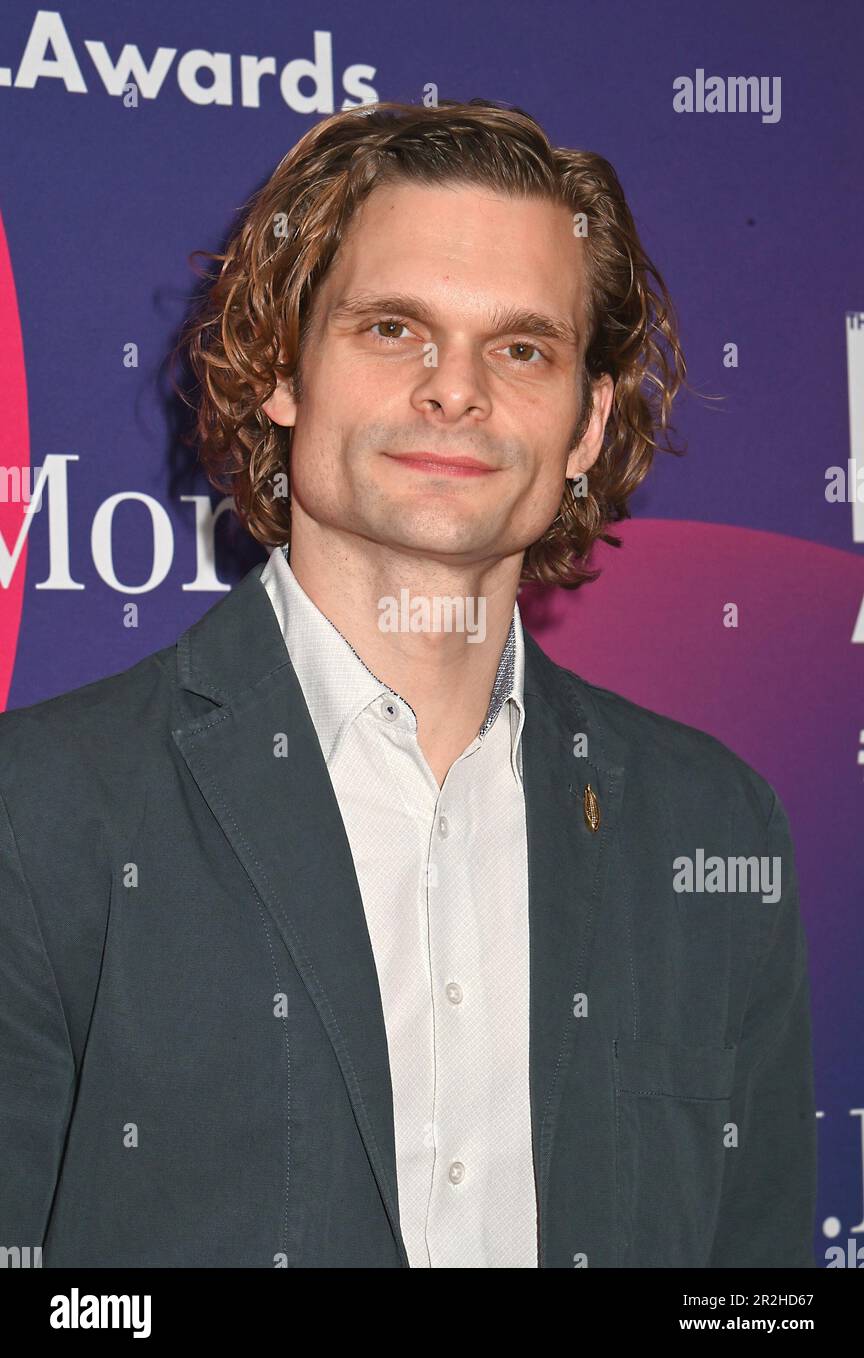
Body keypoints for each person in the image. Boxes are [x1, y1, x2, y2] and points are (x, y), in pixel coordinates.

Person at [0, 100, 816, 1268]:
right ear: (282, 370)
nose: (456, 389)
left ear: (586, 424)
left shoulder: (711, 822)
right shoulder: (38, 813)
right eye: (393, 328)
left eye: (523, 347)